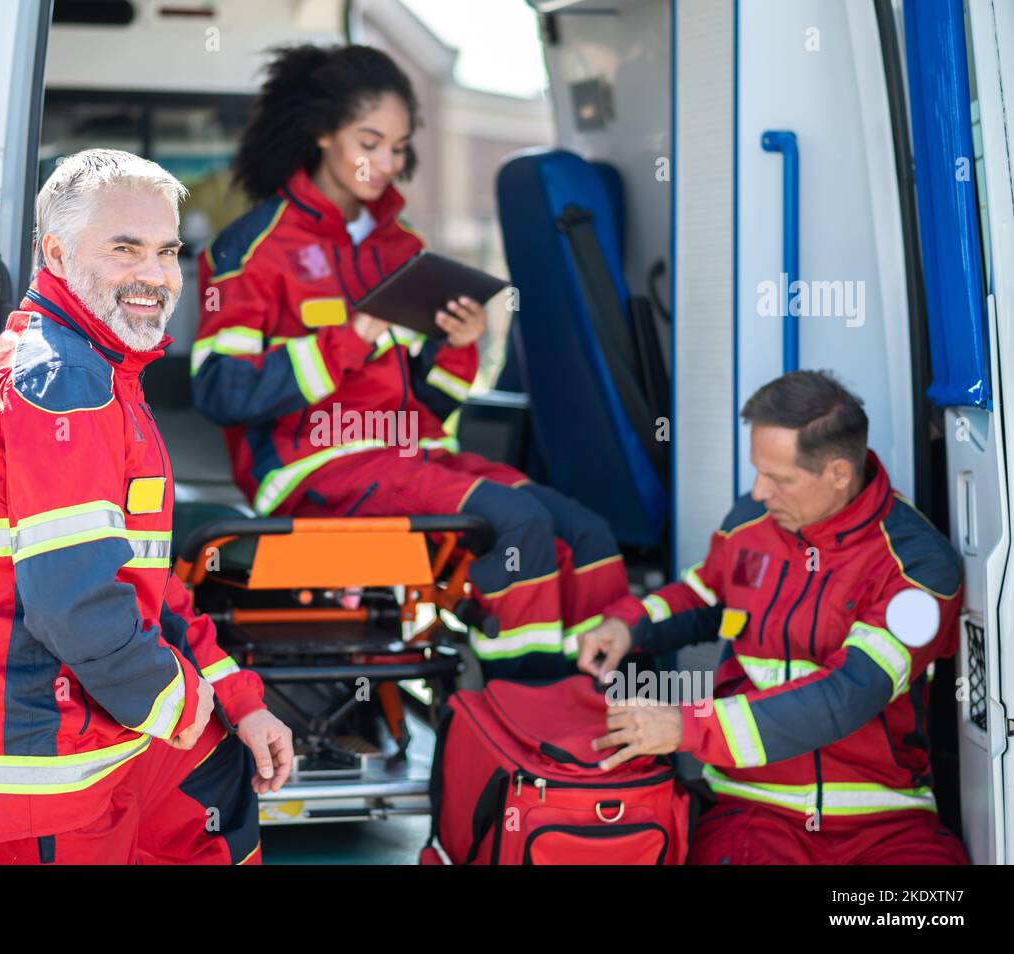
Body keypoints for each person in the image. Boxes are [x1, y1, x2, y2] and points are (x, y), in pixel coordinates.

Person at [0, 149, 293, 865]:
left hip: (87, 730)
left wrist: (236, 695)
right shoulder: (65, 381)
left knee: (217, 782)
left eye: (168, 250)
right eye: (125, 249)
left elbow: (141, 580)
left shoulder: (104, 370)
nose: (155, 274)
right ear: (56, 252)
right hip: (31, 766)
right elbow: (72, 602)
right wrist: (173, 701)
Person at [190, 44, 627, 682]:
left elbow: (434, 406)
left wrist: (459, 341)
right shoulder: (252, 246)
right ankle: (521, 710)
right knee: (521, 524)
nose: (388, 163)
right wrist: (352, 335)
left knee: (586, 532)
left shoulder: (404, 249)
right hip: (312, 469)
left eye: (399, 147)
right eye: (371, 141)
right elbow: (222, 392)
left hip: (412, 457)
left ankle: (592, 698)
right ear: (321, 135)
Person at [578, 370, 969, 864]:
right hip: (750, 811)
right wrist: (628, 624)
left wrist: (690, 726)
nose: (759, 492)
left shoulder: (919, 565)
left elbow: (848, 695)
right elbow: (706, 601)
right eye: (756, 471)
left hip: (885, 825)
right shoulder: (749, 522)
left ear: (839, 474)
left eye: (779, 479)